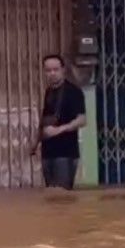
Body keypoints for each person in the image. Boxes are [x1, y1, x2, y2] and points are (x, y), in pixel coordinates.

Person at [32, 54, 87, 190]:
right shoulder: (49, 92)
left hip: (65, 152)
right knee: (51, 195)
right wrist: (36, 143)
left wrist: (59, 130)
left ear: (63, 70)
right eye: (48, 70)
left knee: (63, 197)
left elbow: (82, 120)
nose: (52, 73)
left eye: (55, 69)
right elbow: (45, 120)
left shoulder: (73, 92)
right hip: (48, 152)